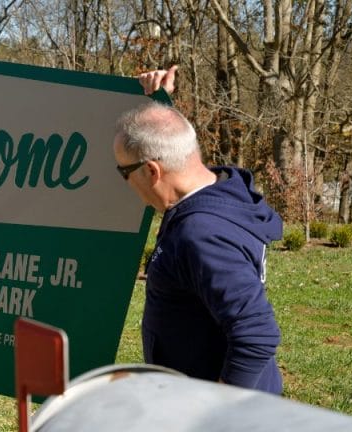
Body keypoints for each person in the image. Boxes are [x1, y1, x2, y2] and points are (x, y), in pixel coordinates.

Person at [112, 67, 283, 394]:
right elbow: (173, 147)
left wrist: (215, 411)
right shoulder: (218, 194)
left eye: (123, 172)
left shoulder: (201, 233)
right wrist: (160, 103)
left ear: (151, 171)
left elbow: (256, 334)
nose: (125, 184)